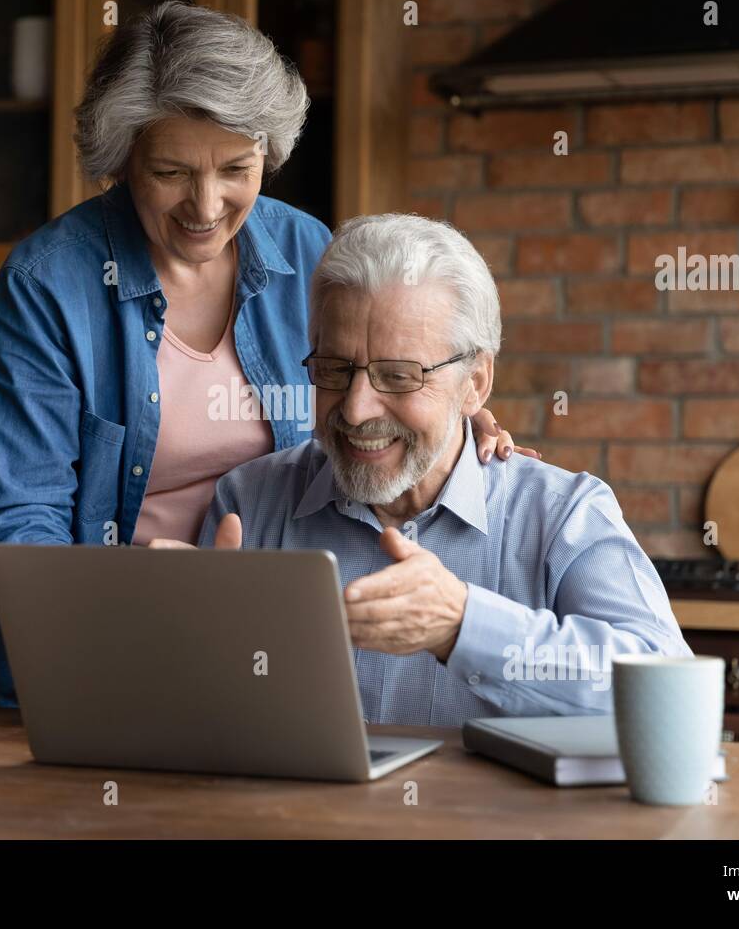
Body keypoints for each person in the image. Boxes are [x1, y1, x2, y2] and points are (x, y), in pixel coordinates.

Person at [0, 2, 534, 706]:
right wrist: (128, 610)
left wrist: (451, 426)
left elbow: (372, 390)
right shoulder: (50, 282)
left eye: (236, 169)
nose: (206, 205)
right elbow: (19, 521)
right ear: (122, 159)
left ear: (267, 155)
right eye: (171, 172)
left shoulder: (309, 252)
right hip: (74, 657)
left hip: (252, 657)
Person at [175, 214, 691, 724]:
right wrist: (186, 643)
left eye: (398, 377)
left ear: (475, 383)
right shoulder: (248, 503)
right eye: (335, 369)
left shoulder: (561, 514)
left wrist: (463, 626)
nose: (355, 410)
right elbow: (190, 720)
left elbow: (672, 694)